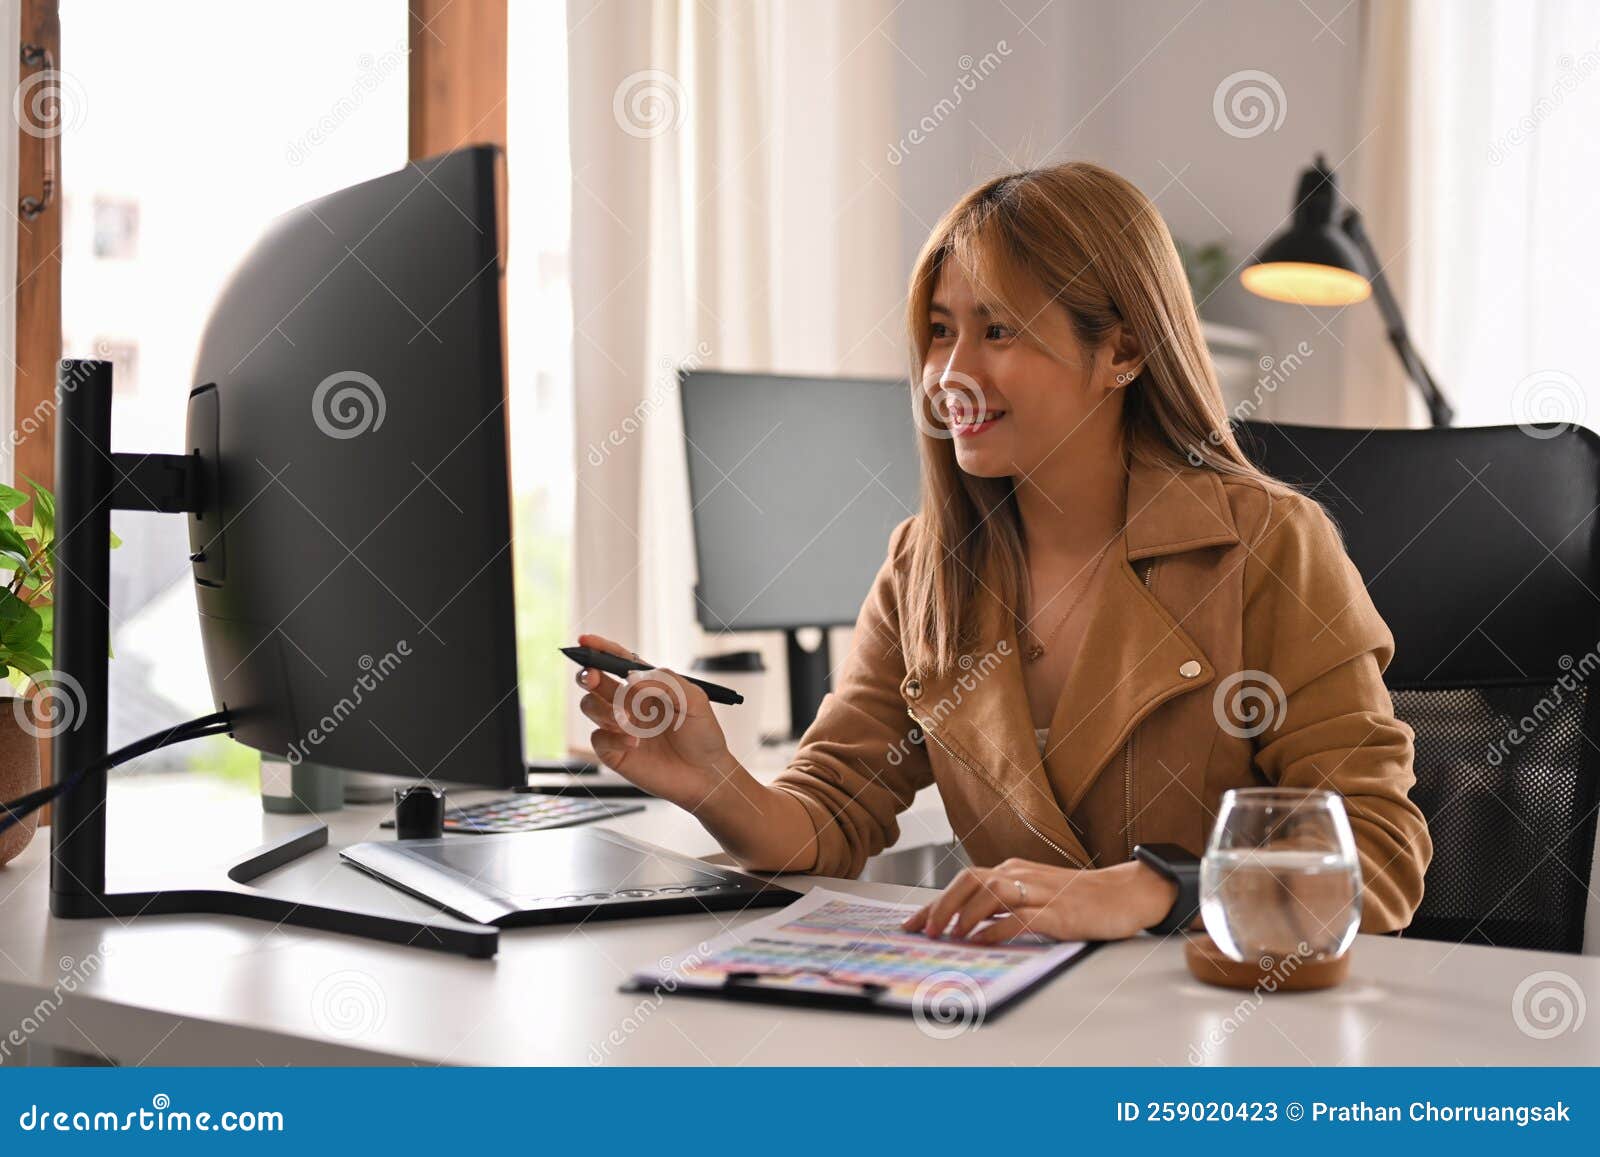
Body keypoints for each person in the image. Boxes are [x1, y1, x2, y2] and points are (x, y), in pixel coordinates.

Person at [575, 161, 1432, 944]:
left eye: (999, 331)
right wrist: (713, 777)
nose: (949, 371)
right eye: (941, 331)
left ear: (1123, 349)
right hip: (1018, 1025)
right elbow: (831, 815)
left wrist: (1156, 889)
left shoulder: (1268, 544)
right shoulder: (926, 565)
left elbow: (1377, 855)